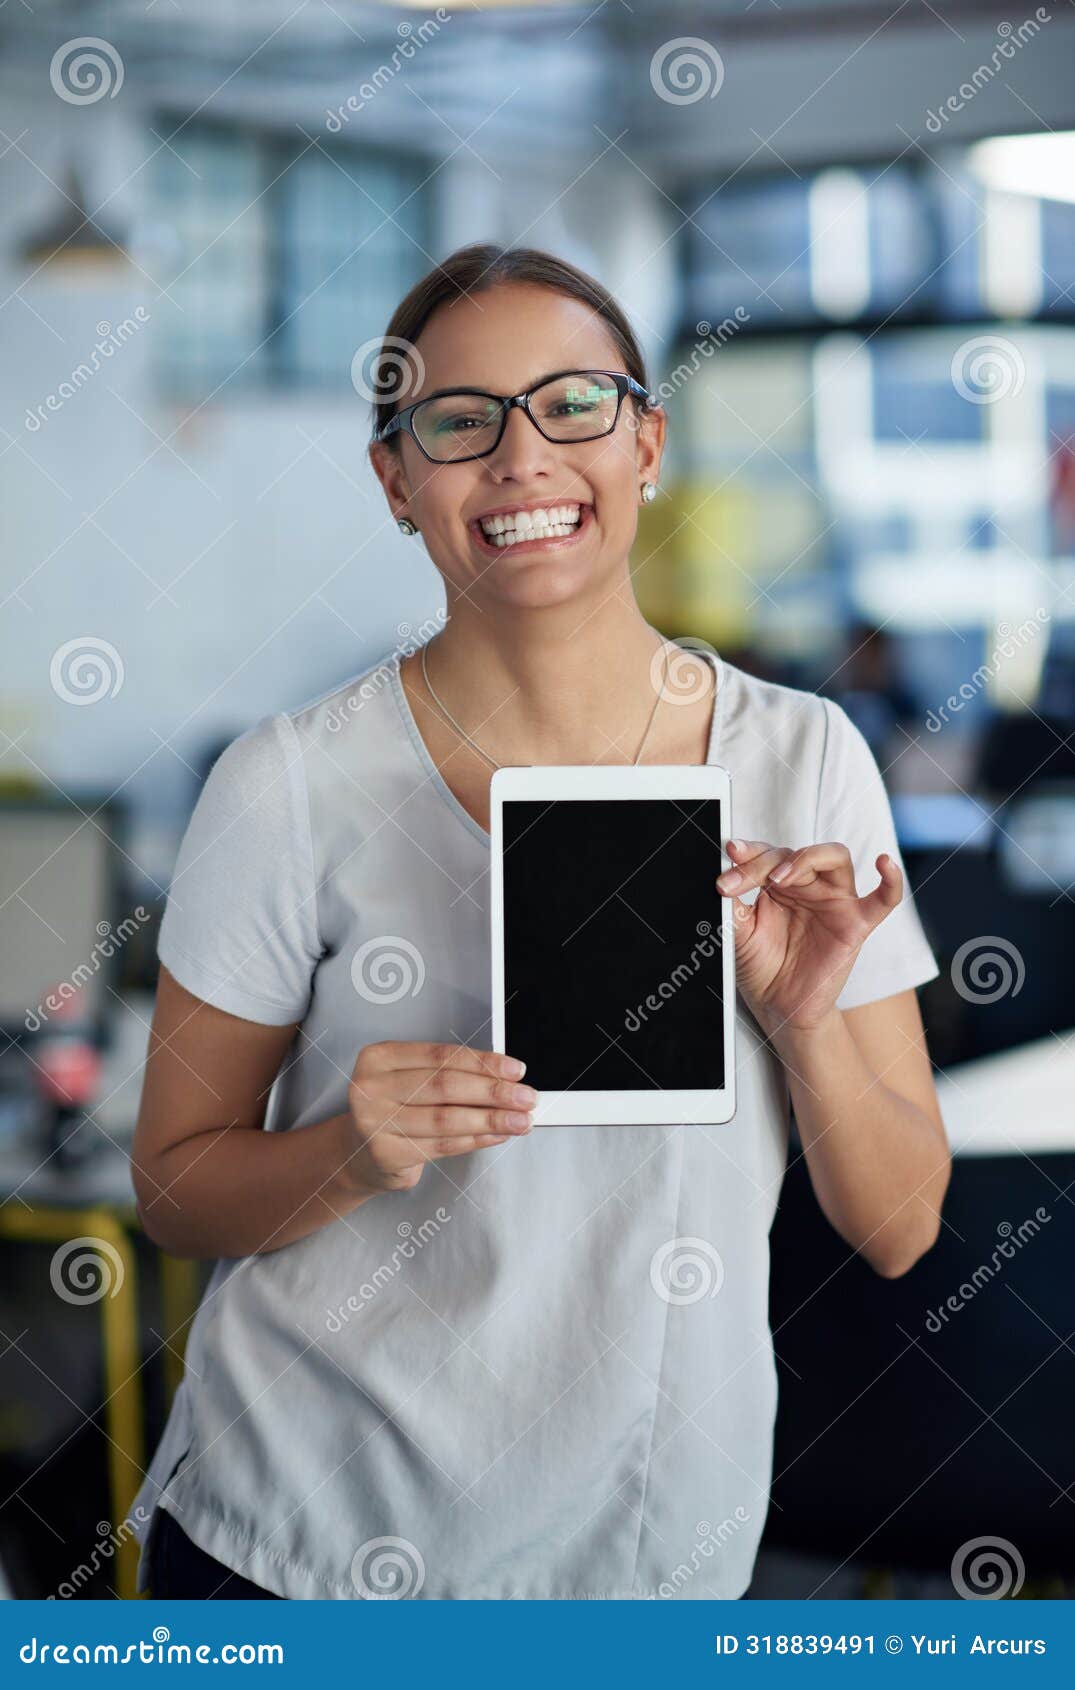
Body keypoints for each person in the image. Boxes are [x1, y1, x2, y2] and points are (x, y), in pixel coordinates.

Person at [129, 243, 949, 1601]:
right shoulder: (288, 780)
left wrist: (802, 1026)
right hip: (304, 1544)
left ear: (648, 443)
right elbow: (171, 1185)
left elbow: (904, 1222)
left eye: (573, 404)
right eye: (458, 423)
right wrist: (341, 1154)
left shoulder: (804, 763)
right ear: (397, 481)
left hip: (643, 1555)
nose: (522, 458)